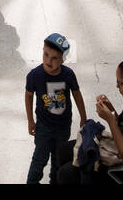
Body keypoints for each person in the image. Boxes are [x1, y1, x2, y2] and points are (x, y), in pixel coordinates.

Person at [24, 33, 86, 186]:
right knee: (39, 158)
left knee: (58, 159)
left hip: (63, 126)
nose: (48, 61)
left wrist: (83, 117)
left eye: (54, 58)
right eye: (46, 55)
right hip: (43, 127)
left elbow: (77, 94)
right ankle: (32, 182)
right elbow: (29, 96)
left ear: (63, 59)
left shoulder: (68, 74)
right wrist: (31, 121)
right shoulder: (34, 75)